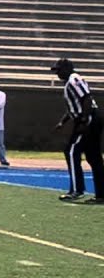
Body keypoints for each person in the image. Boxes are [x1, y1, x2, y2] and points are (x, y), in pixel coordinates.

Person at [51, 58, 103, 203]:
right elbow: (73, 107)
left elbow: (87, 98)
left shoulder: (74, 79)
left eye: (59, 70)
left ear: (67, 69)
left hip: (87, 119)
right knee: (94, 158)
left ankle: (77, 190)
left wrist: (84, 120)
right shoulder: (70, 82)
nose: (57, 74)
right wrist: (62, 122)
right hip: (89, 118)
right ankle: (101, 194)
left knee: (71, 151)